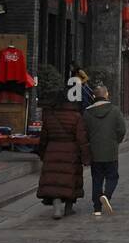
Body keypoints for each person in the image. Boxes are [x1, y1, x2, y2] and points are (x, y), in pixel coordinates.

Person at [36, 88, 90, 219]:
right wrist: (86, 157)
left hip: (52, 150)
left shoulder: (49, 116)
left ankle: (56, 207)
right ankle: (68, 208)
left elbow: (43, 137)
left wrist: (42, 153)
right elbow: (81, 138)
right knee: (70, 180)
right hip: (71, 151)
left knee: (54, 181)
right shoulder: (76, 116)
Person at [83, 84, 124, 216]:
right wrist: (115, 140)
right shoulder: (114, 110)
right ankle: (106, 195)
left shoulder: (87, 112)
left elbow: (85, 132)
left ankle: (97, 208)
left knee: (97, 179)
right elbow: (122, 130)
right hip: (111, 150)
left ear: (94, 96)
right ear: (107, 94)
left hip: (95, 151)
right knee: (112, 176)